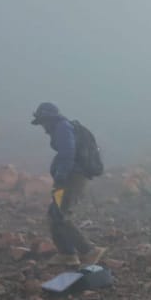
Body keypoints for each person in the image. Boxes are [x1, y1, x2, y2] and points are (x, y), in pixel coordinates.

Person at [31, 102, 105, 267]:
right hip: (69, 178)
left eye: (43, 121)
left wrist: (61, 177)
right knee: (54, 214)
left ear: (49, 118)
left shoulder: (62, 127)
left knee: (61, 215)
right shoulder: (62, 128)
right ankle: (67, 254)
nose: (43, 127)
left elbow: (67, 153)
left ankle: (89, 250)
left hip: (72, 179)